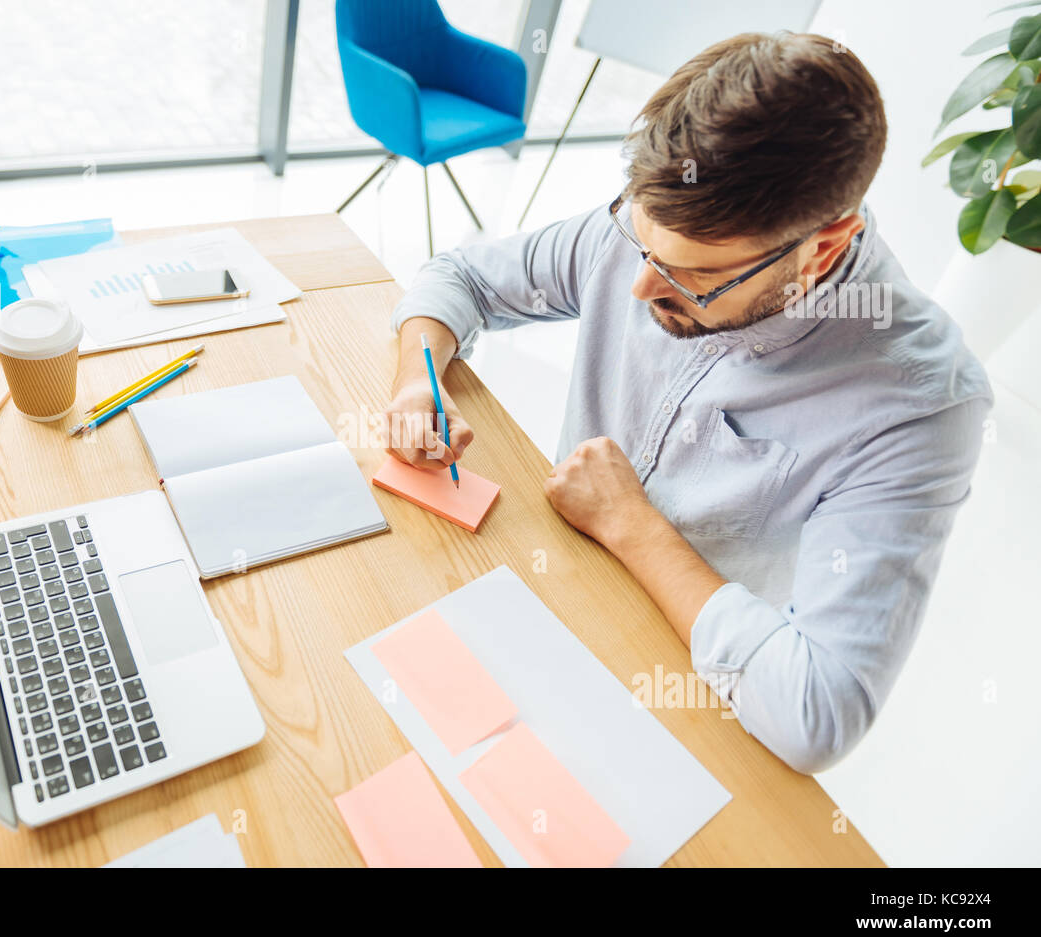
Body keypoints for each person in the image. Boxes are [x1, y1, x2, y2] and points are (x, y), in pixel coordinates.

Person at [382, 32, 993, 774]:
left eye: (691, 275)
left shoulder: (921, 406)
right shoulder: (655, 231)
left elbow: (818, 713)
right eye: (640, 244)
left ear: (823, 250)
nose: (640, 288)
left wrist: (632, 525)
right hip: (533, 588)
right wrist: (419, 374)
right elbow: (463, 278)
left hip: (669, 683)